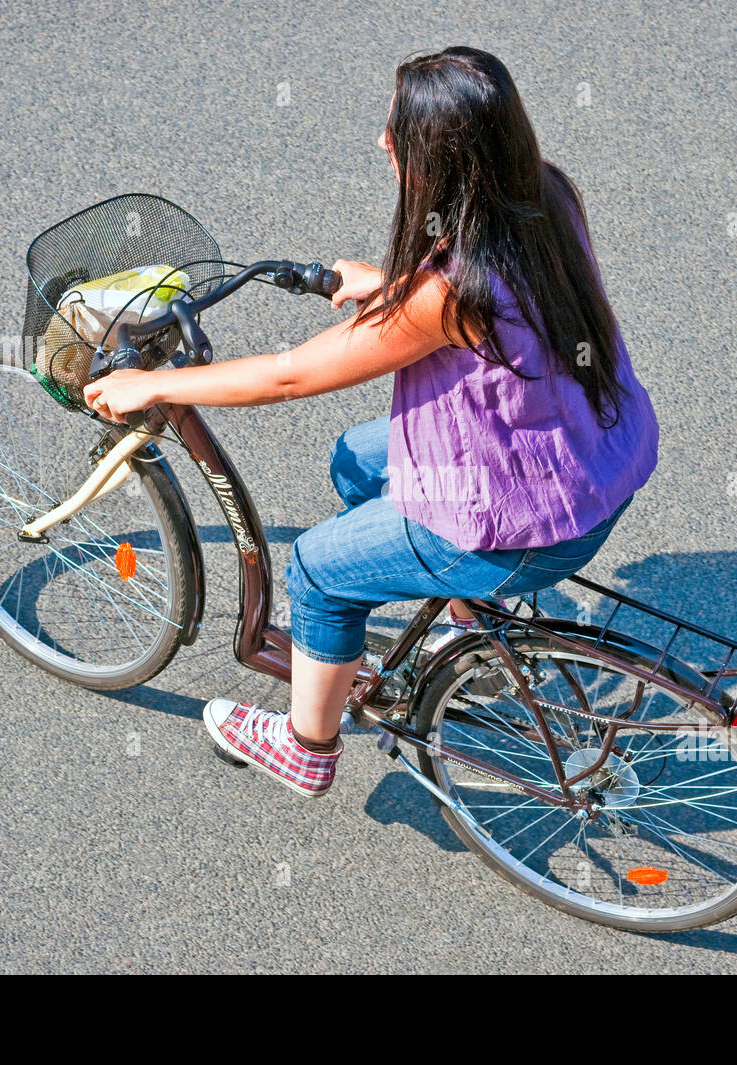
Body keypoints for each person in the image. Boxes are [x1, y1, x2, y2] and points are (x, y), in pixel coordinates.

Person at [83, 46, 659, 798]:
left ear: (440, 161)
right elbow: (502, 317)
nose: (383, 140)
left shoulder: (449, 293)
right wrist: (393, 287)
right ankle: (470, 628)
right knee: (357, 460)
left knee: (317, 572)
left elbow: (291, 376)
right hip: (590, 453)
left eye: (398, 132)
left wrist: (147, 383)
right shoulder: (547, 196)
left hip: (520, 514)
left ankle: (306, 744)